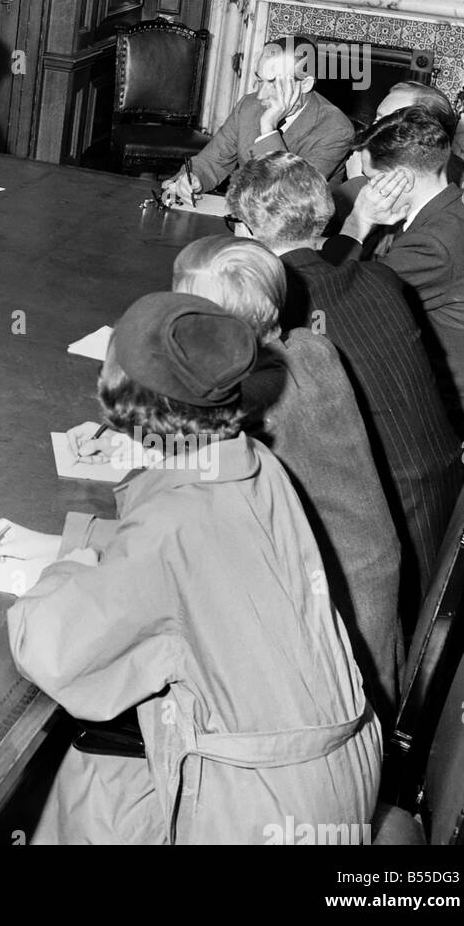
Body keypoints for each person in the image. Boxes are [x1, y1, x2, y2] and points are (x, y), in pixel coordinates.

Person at [0, 293, 380, 845]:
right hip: (340, 782)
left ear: (120, 400)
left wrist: (66, 569)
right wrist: (74, 539)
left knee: (53, 805)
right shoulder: (254, 465)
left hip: (254, 812)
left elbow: (48, 649)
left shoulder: (170, 527)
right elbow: (203, 561)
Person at [226, 152, 463, 626]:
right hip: (443, 509)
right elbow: (323, 273)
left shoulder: (279, 319)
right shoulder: (380, 278)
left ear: (245, 233)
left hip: (380, 541)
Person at [171, 235, 402, 721]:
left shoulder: (258, 399)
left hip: (327, 659)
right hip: (366, 608)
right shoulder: (313, 347)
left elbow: (188, 483)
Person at [328, 106, 464, 439]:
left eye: (370, 178)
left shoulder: (433, 242)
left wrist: (357, 223)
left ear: (403, 179)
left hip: (444, 418)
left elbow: (341, 306)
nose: (366, 187)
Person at [161, 35, 354, 205]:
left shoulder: (337, 129)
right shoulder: (249, 105)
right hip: (245, 215)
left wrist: (268, 128)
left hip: (296, 230)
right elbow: (213, 160)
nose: (260, 95)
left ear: (305, 84)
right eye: (260, 80)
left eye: (272, 83)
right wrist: (192, 179)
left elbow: (290, 194)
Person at [332, 80, 464, 234]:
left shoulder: (457, 176)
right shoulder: (382, 157)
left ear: (422, 127)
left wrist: (356, 180)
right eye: (377, 119)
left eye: (387, 120)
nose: (374, 128)